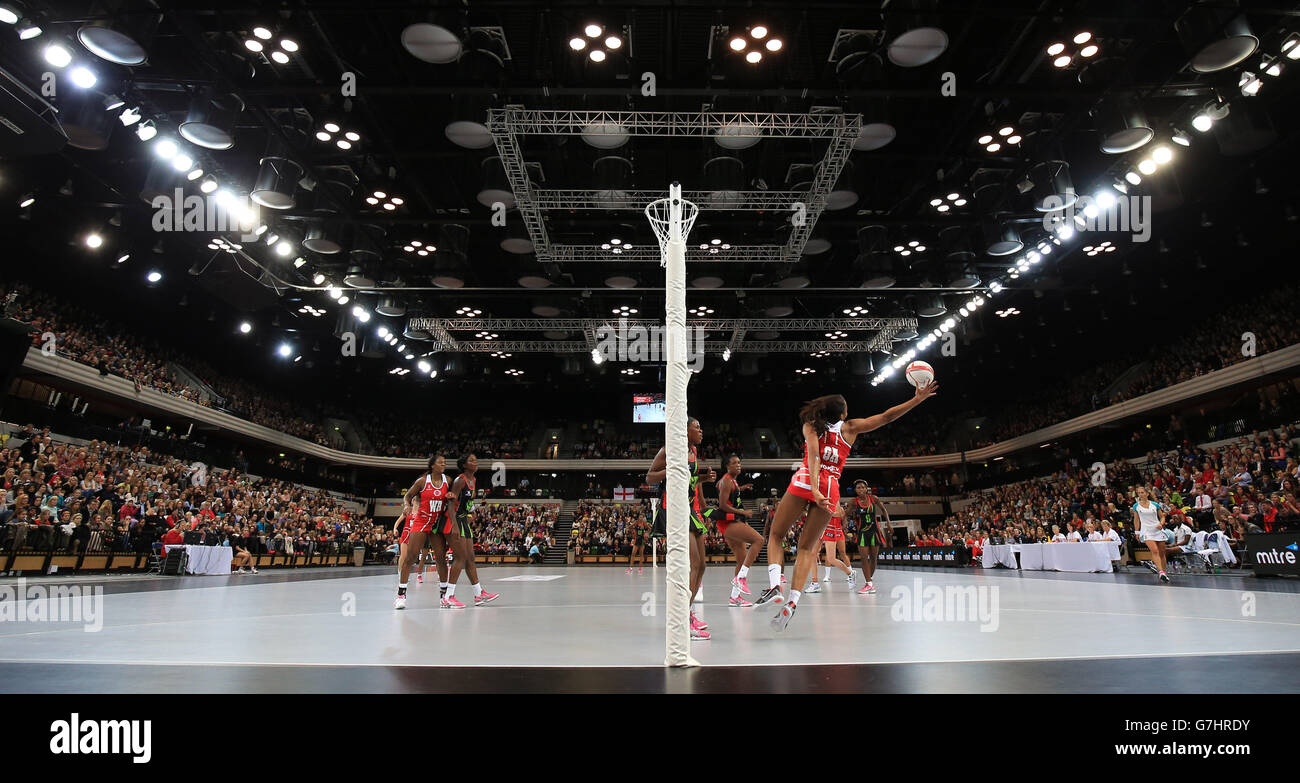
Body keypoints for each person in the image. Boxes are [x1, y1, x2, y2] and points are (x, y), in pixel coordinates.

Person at [760, 383, 938, 632]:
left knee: (776, 535)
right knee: (806, 548)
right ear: (842, 414)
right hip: (831, 487)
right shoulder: (851, 428)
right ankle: (792, 602)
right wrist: (917, 399)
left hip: (807, 480)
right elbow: (887, 417)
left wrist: (813, 488)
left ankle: (775, 586)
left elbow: (814, 455)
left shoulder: (810, 425)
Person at [645, 417, 717, 639]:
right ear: (685, 430)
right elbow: (649, 478)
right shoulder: (669, 449)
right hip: (674, 508)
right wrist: (671, 470)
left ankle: (687, 610)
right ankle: (682, 618)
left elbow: (690, 478)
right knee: (692, 565)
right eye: (696, 427)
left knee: (702, 565)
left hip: (690, 508)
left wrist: (703, 478)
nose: (700, 430)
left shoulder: (694, 451)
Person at [706, 454, 766, 607]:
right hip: (728, 522)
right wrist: (743, 513)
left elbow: (730, 496)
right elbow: (723, 505)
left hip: (729, 522)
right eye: (734, 463)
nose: (738, 465)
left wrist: (742, 488)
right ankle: (741, 578)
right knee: (759, 540)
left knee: (741, 559)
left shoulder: (732, 481)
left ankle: (735, 597)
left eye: (739, 462)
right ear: (727, 466)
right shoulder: (727, 481)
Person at [394, 455, 452, 610]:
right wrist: (406, 505)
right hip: (422, 521)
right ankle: (401, 594)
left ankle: (444, 595)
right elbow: (408, 496)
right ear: (432, 466)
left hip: (437, 523)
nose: (443, 464)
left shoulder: (448, 480)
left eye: (445, 463)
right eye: (440, 463)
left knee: (441, 558)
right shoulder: (422, 481)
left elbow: (455, 497)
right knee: (411, 557)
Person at [445, 454, 501, 608]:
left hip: (464, 520)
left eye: (476, 460)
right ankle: (448, 596)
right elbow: (451, 504)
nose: (475, 462)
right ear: (464, 465)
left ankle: (478, 594)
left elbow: (467, 503)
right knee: (460, 558)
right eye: (471, 460)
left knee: (470, 558)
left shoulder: (473, 480)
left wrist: (471, 513)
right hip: (455, 520)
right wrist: (454, 525)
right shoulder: (460, 480)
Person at [847, 481, 888, 594]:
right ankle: (869, 583)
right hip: (862, 533)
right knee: (864, 558)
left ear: (866, 489)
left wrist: (888, 524)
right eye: (858, 488)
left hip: (874, 532)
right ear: (855, 490)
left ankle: (868, 580)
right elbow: (846, 514)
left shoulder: (874, 498)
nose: (860, 489)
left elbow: (884, 510)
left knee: (873, 558)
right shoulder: (853, 502)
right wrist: (844, 524)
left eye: (863, 487)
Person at [1133, 485, 1170, 583]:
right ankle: (1161, 571)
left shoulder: (1155, 504)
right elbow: (1136, 520)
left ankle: (1164, 573)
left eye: (1142, 492)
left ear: (1147, 494)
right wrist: (1137, 532)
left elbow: (1162, 517)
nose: (1140, 494)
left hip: (1157, 529)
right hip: (1146, 531)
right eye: (1139, 493)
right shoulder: (1136, 506)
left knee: (1162, 552)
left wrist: (1161, 524)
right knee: (1155, 550)